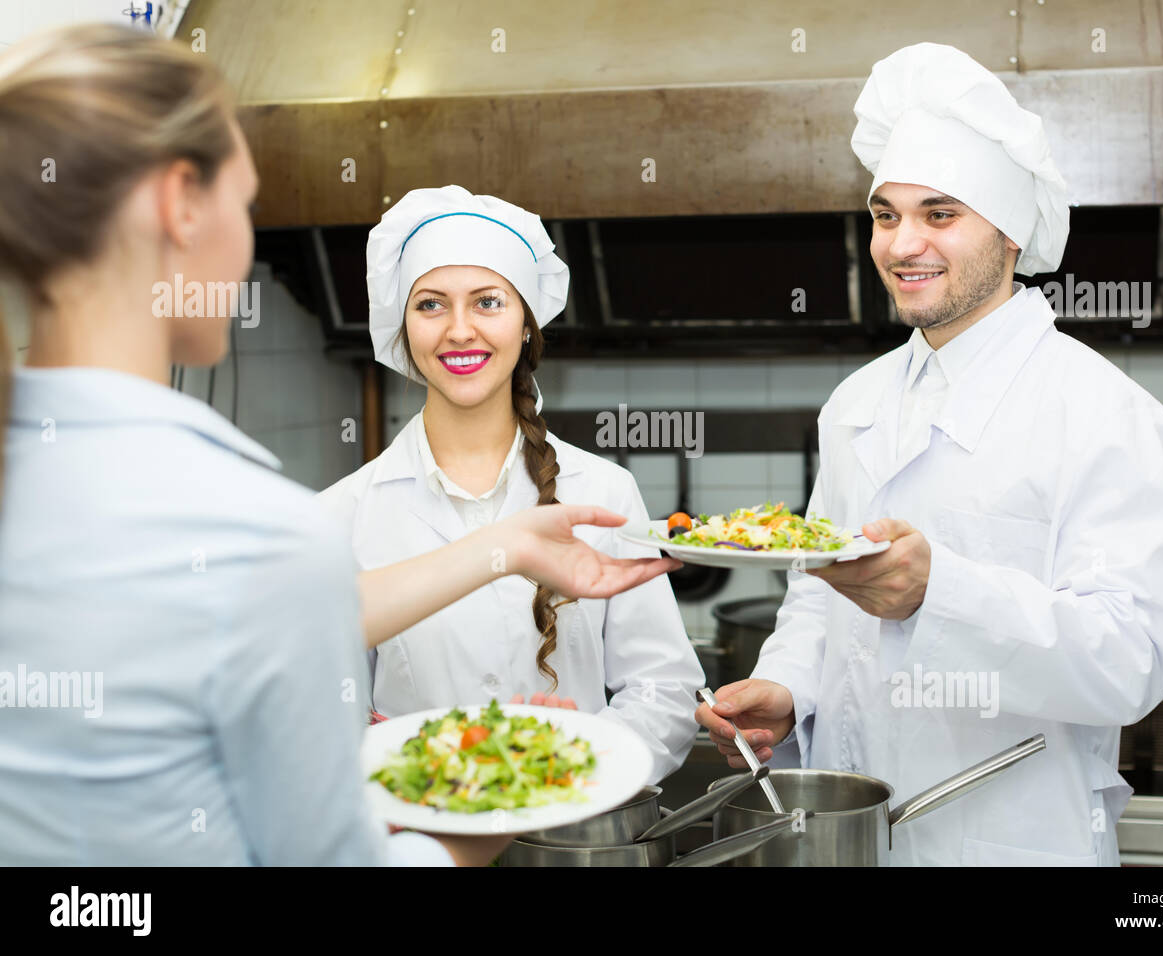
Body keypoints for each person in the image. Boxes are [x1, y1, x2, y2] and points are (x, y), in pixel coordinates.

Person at [0, 23, 678, 867]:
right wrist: (486, 810)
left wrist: (502, 549)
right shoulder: (259, 526)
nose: (247, 247)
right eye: (245, 206)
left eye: (488, 302)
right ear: (180, 204)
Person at [695, 43, 1163, 866]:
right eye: (887, 215)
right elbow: (817, 593)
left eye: (940, 213)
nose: (902, 244)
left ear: (1008, 231)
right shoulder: (856, 403)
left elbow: (1131, 665)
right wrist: (786, 687)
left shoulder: (1105, 413)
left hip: (1013, 842)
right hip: (847, 834)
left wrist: (943, 593)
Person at [317, 186, 704, 784]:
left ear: (526, 323)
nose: (460, 330)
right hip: (420, 837)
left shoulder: (603, 493)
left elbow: (665, 688)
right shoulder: (343, 515)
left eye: (488, 302)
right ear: (403, 331)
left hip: (574, 842)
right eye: (431, 305)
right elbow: (323, 711)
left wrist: (580, 756)